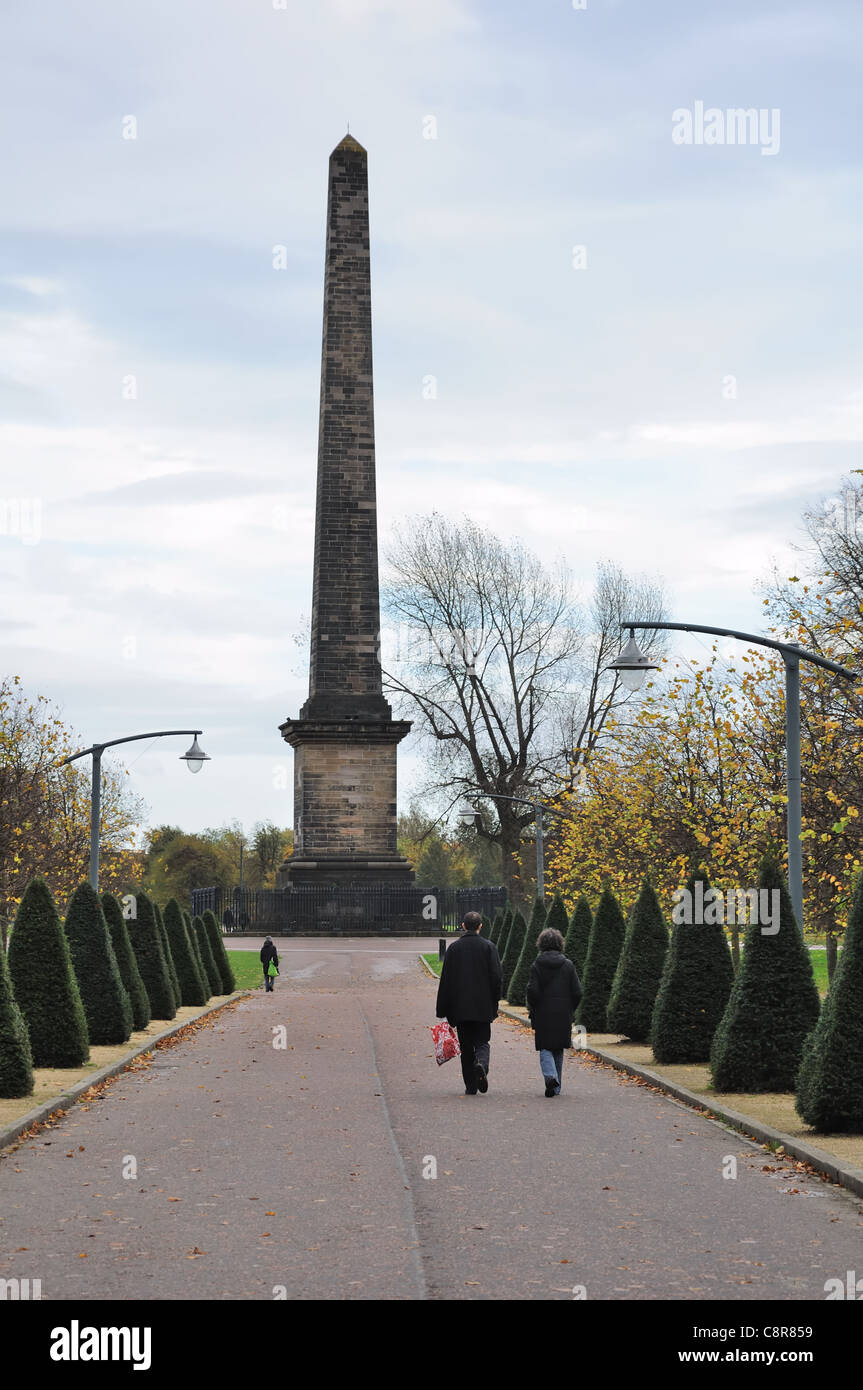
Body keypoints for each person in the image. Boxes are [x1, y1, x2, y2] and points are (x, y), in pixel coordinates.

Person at [435, 911, 502, 1095]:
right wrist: (495, 1001)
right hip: (483, 1005)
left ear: (463, 926)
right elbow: (496, 977)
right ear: (480, 926)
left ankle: (471, 1086)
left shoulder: (454, 949)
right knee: (482, 1042)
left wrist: (442, 1009)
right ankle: (481, 1063)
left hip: (460, 1007)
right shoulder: (489, 947)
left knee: (466, 1048)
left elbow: (446, 980)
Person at [526, 926, 582, 1096]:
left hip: (543, 1012)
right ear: (560, 944)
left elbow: (532, 991)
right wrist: (570, 1008)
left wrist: (534, 1006)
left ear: (541, 944)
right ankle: (556, 1086)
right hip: (563, 1013)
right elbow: (578, 991)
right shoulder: (568, 965)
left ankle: (550, 1076)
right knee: (558, 1048)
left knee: (545, 1047)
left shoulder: (537, 965)